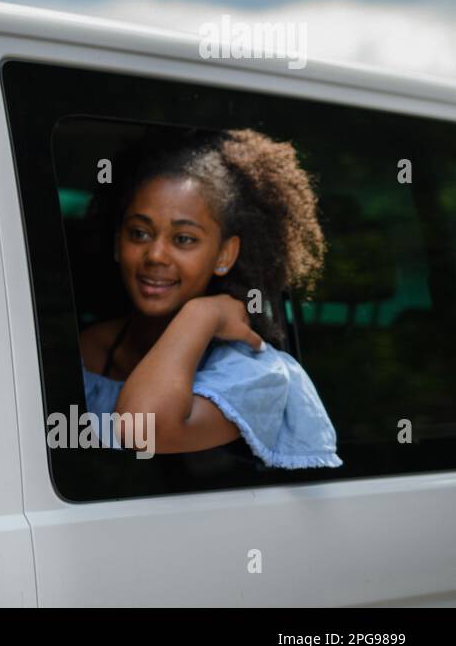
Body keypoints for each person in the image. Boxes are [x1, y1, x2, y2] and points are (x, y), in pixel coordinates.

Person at [79, 128, 342, 468]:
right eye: (140, 233)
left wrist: (202, 315)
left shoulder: (253, 373)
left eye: (184, 238)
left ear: (224, 254)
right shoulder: (85, 348)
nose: (156, 255)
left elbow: (140, 430)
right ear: (118, 242)